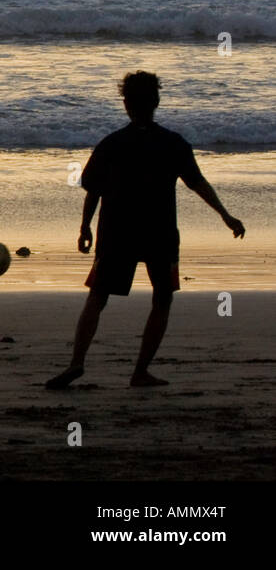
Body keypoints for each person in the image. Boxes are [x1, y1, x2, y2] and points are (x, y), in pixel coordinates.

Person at [46, 72, 244, 390]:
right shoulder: (173, 143)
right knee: (162, 300)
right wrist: (226, 215)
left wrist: (85, 228)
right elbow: (198, 184)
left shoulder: (112, 143)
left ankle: (76, 363)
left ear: (126, 104)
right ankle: (140, 371)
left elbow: (92, 191)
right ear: (157, 102)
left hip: (117, 231)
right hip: (160, 232)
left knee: (97, 297)